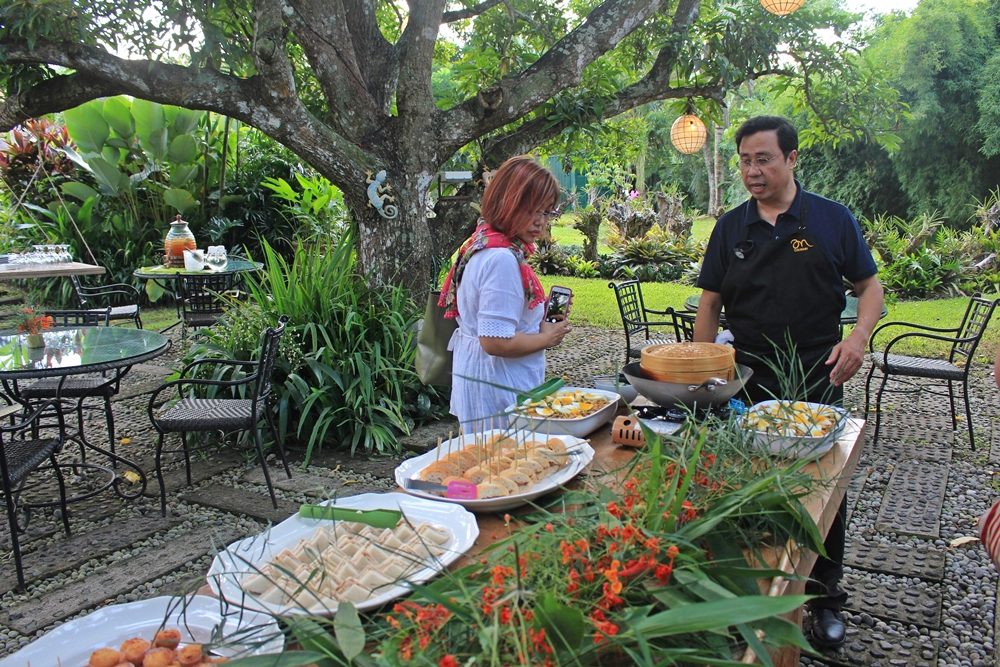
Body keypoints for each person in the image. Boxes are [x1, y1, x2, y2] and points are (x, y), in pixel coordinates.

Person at [693, 116, 885, 648]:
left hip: (818, 373)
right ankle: (753, 588)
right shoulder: (731, 227)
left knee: (826, 487)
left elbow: (870, 288)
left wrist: (858, 339)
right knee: (744, 479)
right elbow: (710, 302)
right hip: (748, 377)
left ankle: (824, 597)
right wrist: (707, 371)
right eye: (745, 161)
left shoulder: (831, 219)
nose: (753, 171)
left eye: (764, 159)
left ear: (792, 158)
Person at [439, 156, 572, 429]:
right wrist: (546, 337)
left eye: (546, 212)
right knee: (502, 465)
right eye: (531, 210)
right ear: (507, 202)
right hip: (499, 389)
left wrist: (536, 318)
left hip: (483, 381)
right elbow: (495, 342)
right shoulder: (501, 259)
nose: (540, 222)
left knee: (487, 464)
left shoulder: (482, 242)